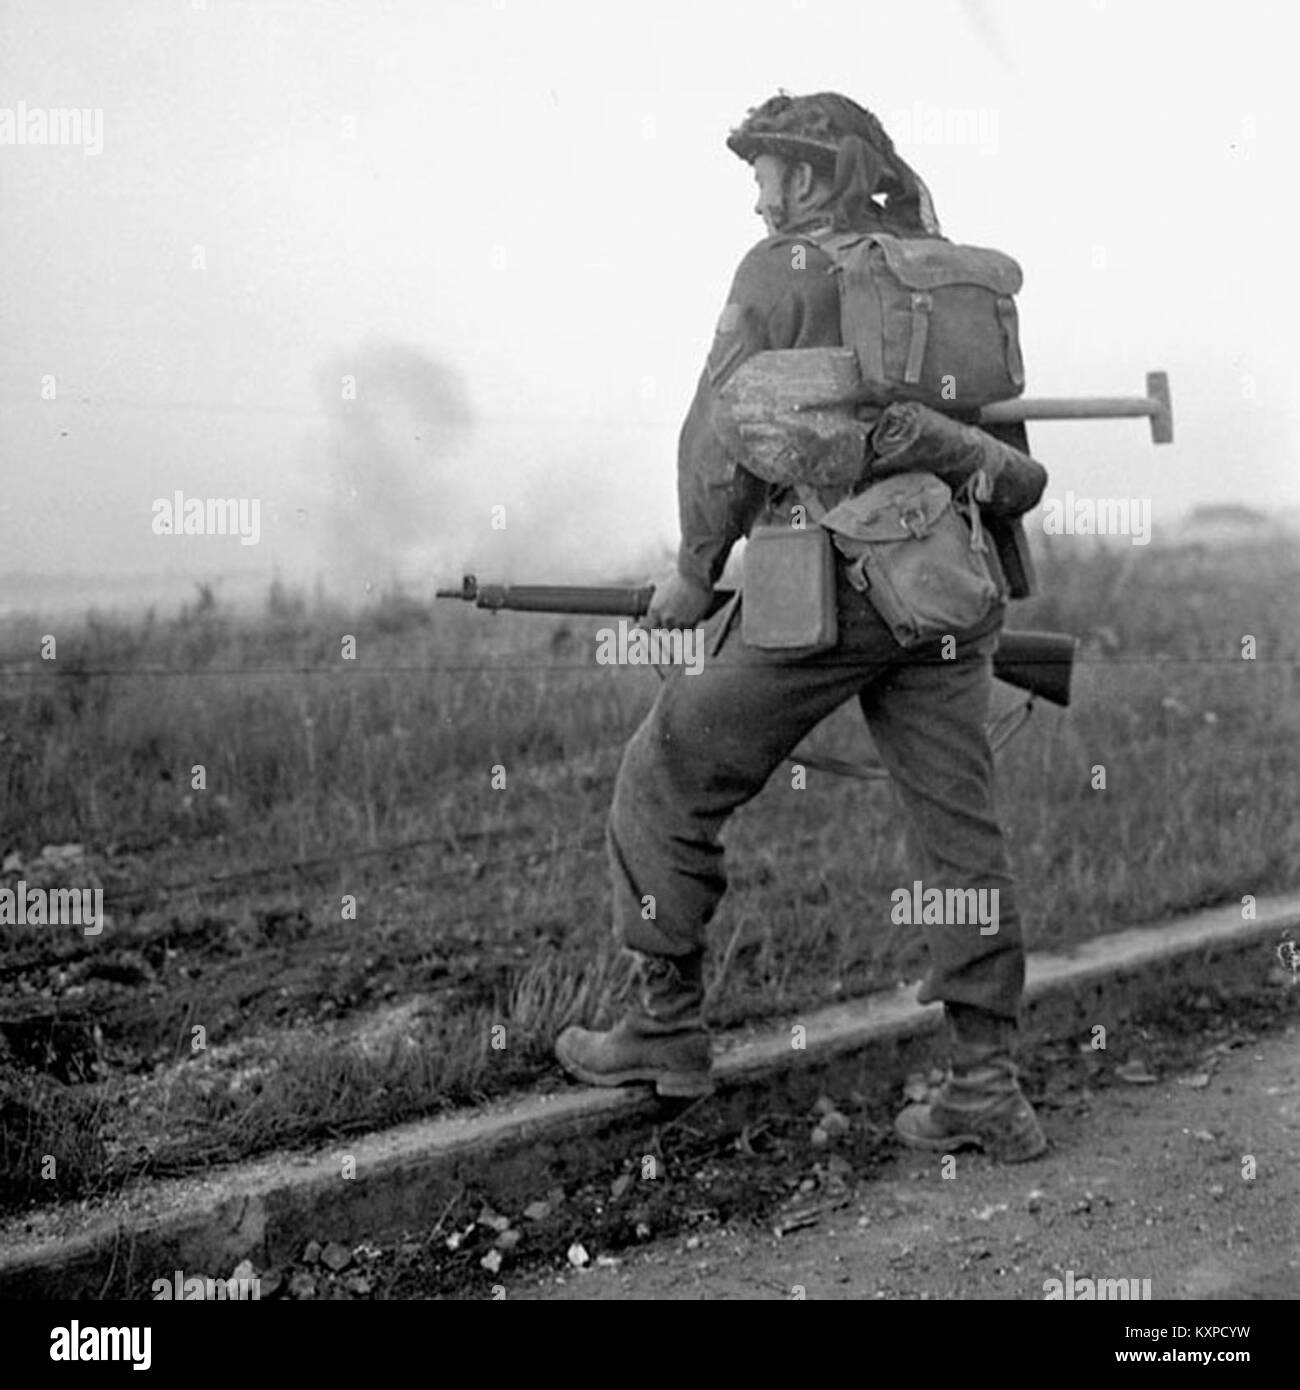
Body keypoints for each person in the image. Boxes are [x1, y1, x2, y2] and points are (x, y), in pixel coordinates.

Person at [555, 92, 1047, 1163]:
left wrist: (694, 573)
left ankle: (665, 1028)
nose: (757, 190)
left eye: (770, 168)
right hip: (947, 584)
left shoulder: (776, 272)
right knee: (959, 838)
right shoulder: (931, 265)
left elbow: (719, 434)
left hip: (833, 582)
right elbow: (983, 427)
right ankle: (984, 1087)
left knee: (667, 768)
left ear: (814, 174)